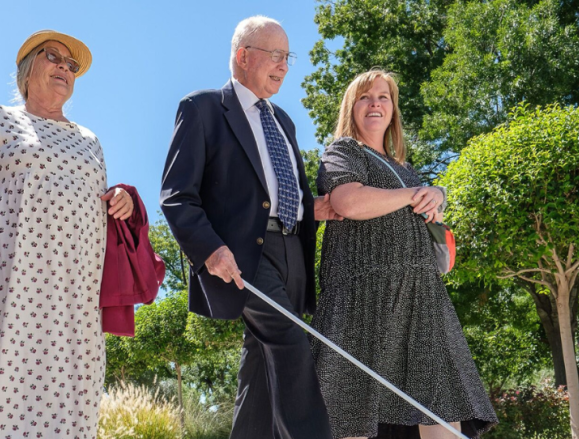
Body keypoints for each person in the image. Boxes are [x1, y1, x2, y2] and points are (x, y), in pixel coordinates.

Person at [0, 30, 134, 439]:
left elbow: (99, 204)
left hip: (82, 283)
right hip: (20, 272)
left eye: (71, 66)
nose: (64, 69)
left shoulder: (90, 141)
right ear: (27, 69)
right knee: (20, 375)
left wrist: (121, 198)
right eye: (54, 58)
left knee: (79, 379)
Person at [160, 16, 338, 439]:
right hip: (242, 256)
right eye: (275, 55)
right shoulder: (201, 108)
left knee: (261, 361)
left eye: (287, 57)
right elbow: (176, 195)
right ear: (243, 56)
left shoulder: (284, 122)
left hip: (293, 251)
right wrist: (209, 250)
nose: (284, 66)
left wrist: (321, 210)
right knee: (292, 342)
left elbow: (282, 192)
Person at [311, 69, 498, 439]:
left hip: (420, 300)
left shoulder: (406, 170)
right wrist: (416, 195)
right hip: (362, 300)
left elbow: (435, 231)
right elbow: (347, 201)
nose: (376, 103)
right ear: (352, 106)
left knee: (442, 412)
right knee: (350, 412)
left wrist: (437, 196)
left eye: (384, 97)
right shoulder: (343, 151)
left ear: (393, 110)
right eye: (365, 96)